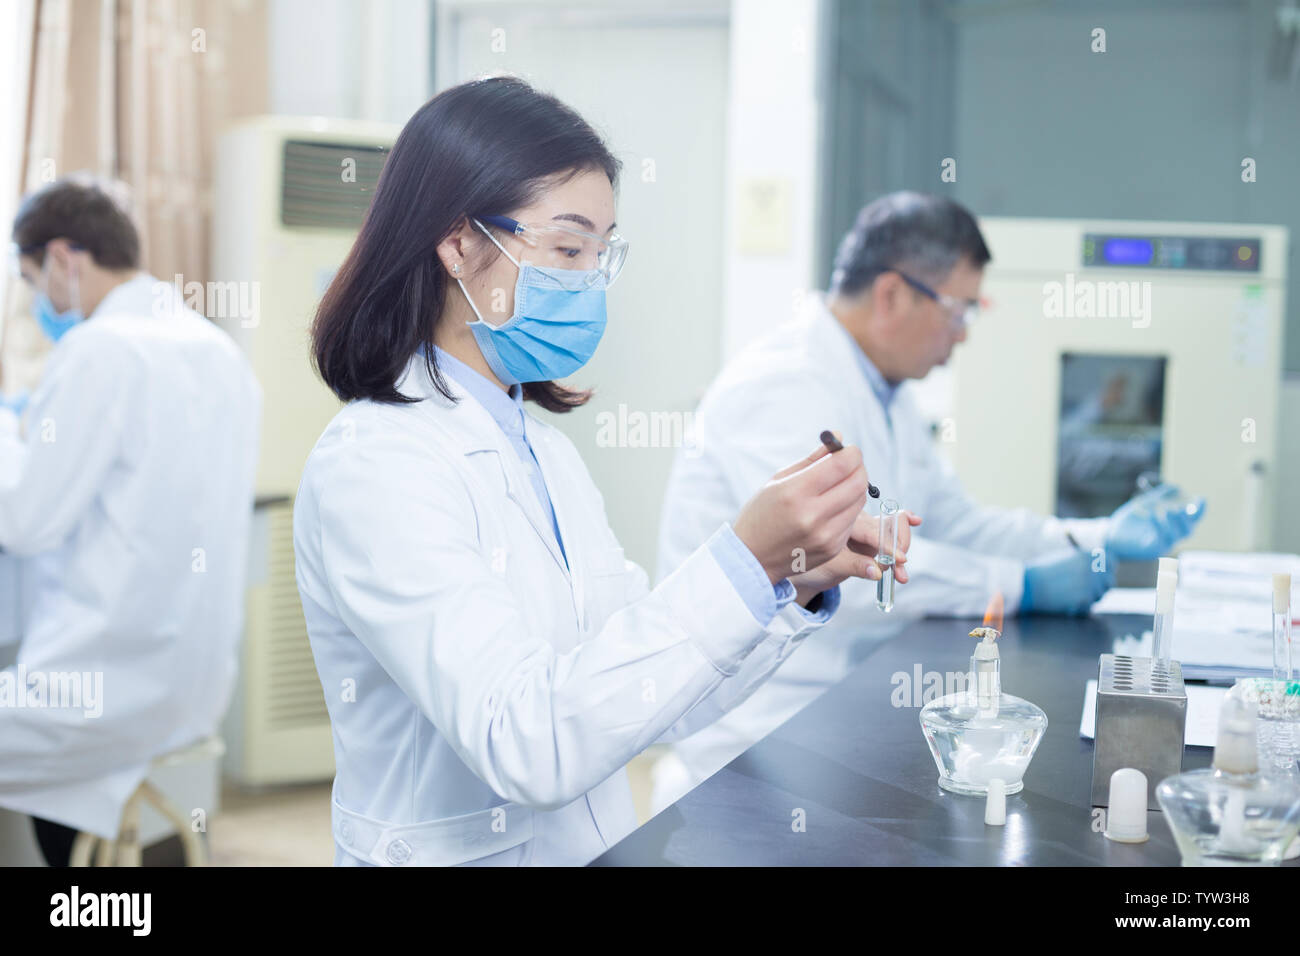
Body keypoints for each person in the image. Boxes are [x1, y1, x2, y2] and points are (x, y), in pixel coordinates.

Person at [293, 77, 917, 867]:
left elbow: (658, 706)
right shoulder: (376, 464)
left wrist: (785, 579)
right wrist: (741, 558)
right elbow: (529, 744)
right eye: (566, 248)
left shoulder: (544, 452)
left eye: (601, 252)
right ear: (457, 244)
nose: (590, 279)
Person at [652, 191, 1204, 807]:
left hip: (831, 700)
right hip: (756, 732)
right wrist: (1021, 585)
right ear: (892, 294)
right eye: (959, 310)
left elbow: (957, 522)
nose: (962, 335)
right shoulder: (784, 386)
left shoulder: (885, 391)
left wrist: (1095, 536)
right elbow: (853, 560)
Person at [0, 176, 261, 864]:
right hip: (190, 690)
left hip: (98, 690)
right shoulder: (217, 351)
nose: (42, 304)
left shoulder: (99, 349)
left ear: (63, 257)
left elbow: (25, 520)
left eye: (33, 281)